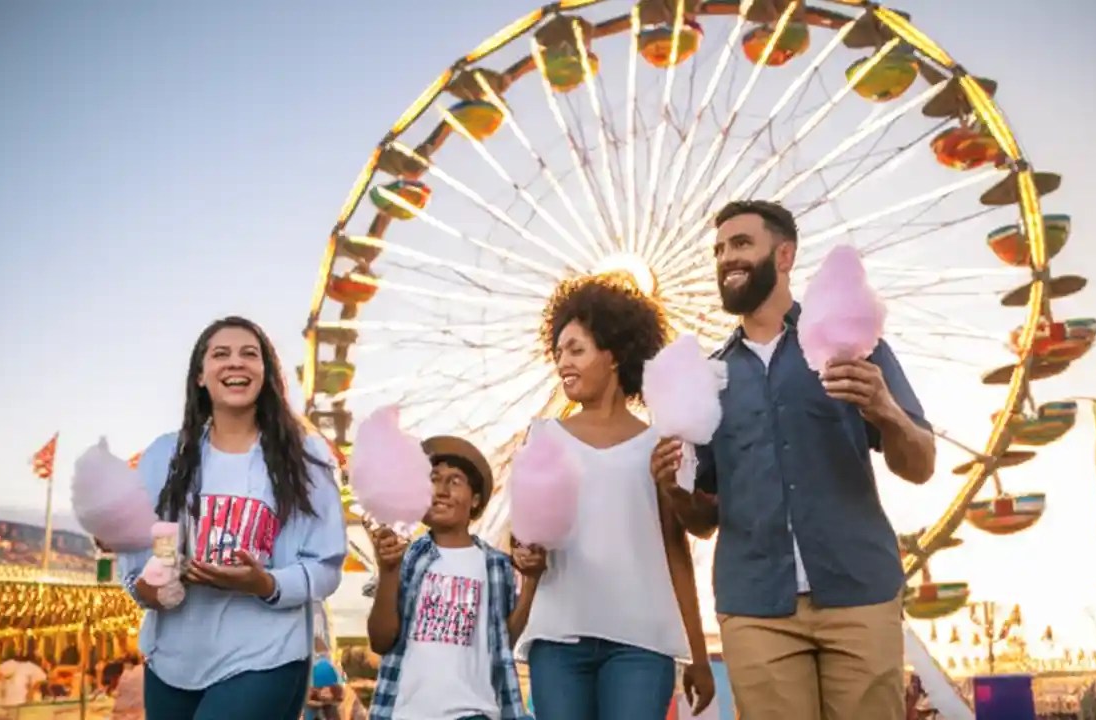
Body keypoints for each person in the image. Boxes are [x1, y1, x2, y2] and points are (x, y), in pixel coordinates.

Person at [652, 200, 936, 720]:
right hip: (756, 605)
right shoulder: (709, 378)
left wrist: (887, 411)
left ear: (784, 255)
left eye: (740, 244)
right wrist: (673, 489)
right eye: (718, 249)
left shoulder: (852, 346)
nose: (725, 258)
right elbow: (703, 521)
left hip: (858, 590)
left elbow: (920, 465)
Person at [116, 315, 348, 720]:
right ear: (201, 376)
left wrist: (266, 583)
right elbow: (135, 565)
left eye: (250, 354)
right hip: (171, 660)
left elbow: (326, 566)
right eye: (220, 354)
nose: (235, 363)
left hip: (265, 657)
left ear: (266, 373)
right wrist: (156, 588)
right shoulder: (162, 457)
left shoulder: (307, 459)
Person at [518, 275, 715, 720]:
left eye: (576, 350)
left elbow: (674, 547)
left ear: (614, 355)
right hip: (559, 638)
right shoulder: (542, 437)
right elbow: (526, 539)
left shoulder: (660, 444)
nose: (563, 363)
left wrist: (698, 655)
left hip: (641, 641)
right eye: (559, 353)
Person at [367, 435, 538, 719]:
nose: (441, 490)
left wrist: (532, 581)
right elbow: (380, 641)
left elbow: (503, 642)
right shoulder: (403, 559)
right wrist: (388, 572)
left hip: (475, 712)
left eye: (455, 481)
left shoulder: (495, 566)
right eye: (433, 479)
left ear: (475, 500)